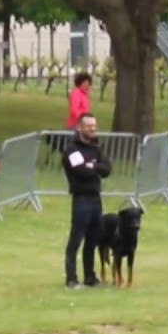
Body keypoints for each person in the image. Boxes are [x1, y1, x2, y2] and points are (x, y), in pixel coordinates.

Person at [61, 113, 112, 288]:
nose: (93, 129)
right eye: (89, 126)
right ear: (79, 128)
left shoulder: (97, 148)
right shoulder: (72, 150)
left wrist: (94, 166)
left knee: (93, 239)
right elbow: (80, 171)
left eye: (94, 126)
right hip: (81, 199)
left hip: (96, 198)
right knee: (76, 239)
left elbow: (107, 169)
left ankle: (90, 277)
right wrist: (94, 168)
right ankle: (71, 278)